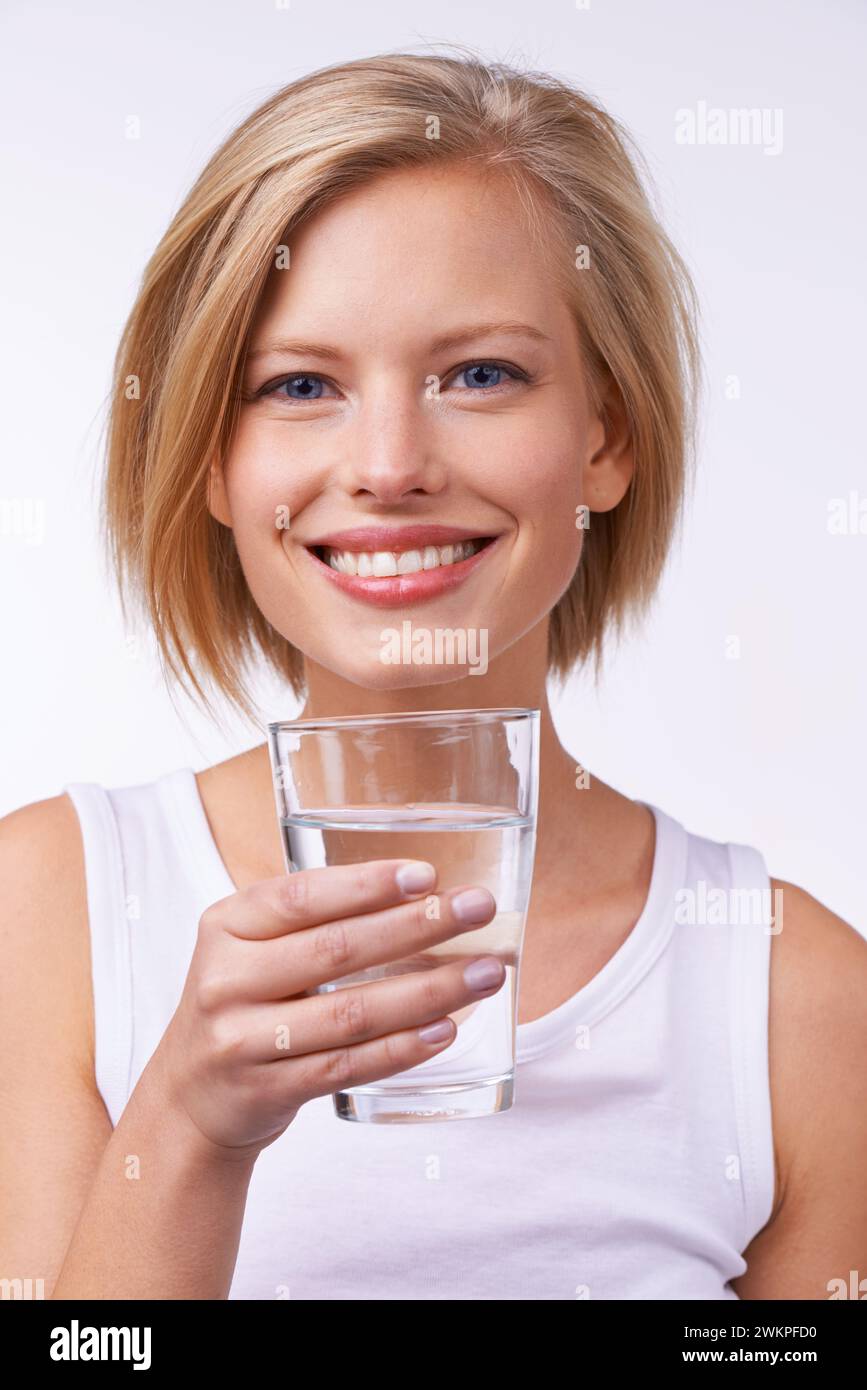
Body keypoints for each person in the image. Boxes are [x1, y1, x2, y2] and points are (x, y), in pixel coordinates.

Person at [2, 48, 864, 1302]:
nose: (390, 464)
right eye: (300, 386)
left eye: (480, 375)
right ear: (209, 461)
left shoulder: (799, 999)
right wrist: (184, 1130)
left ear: (605, 438)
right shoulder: (53, 913)